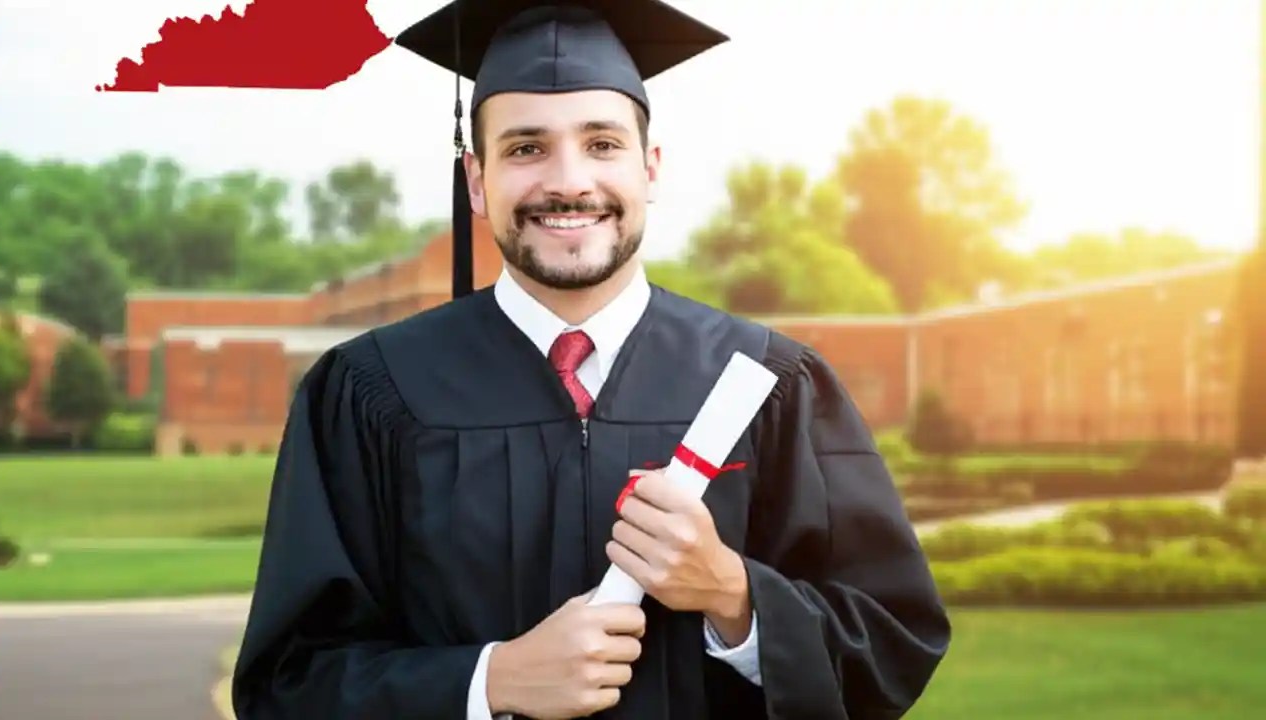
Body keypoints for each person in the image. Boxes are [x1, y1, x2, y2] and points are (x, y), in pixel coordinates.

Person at [230, 0, 951, 718]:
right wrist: (489, 682)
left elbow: (891, 647)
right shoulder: (370, 393)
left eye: (602, 143)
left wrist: (733, 595)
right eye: (525, 148)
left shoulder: (772, 384)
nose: (569, 181)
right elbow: (288, 685)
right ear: (476, 181)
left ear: (651, 168)